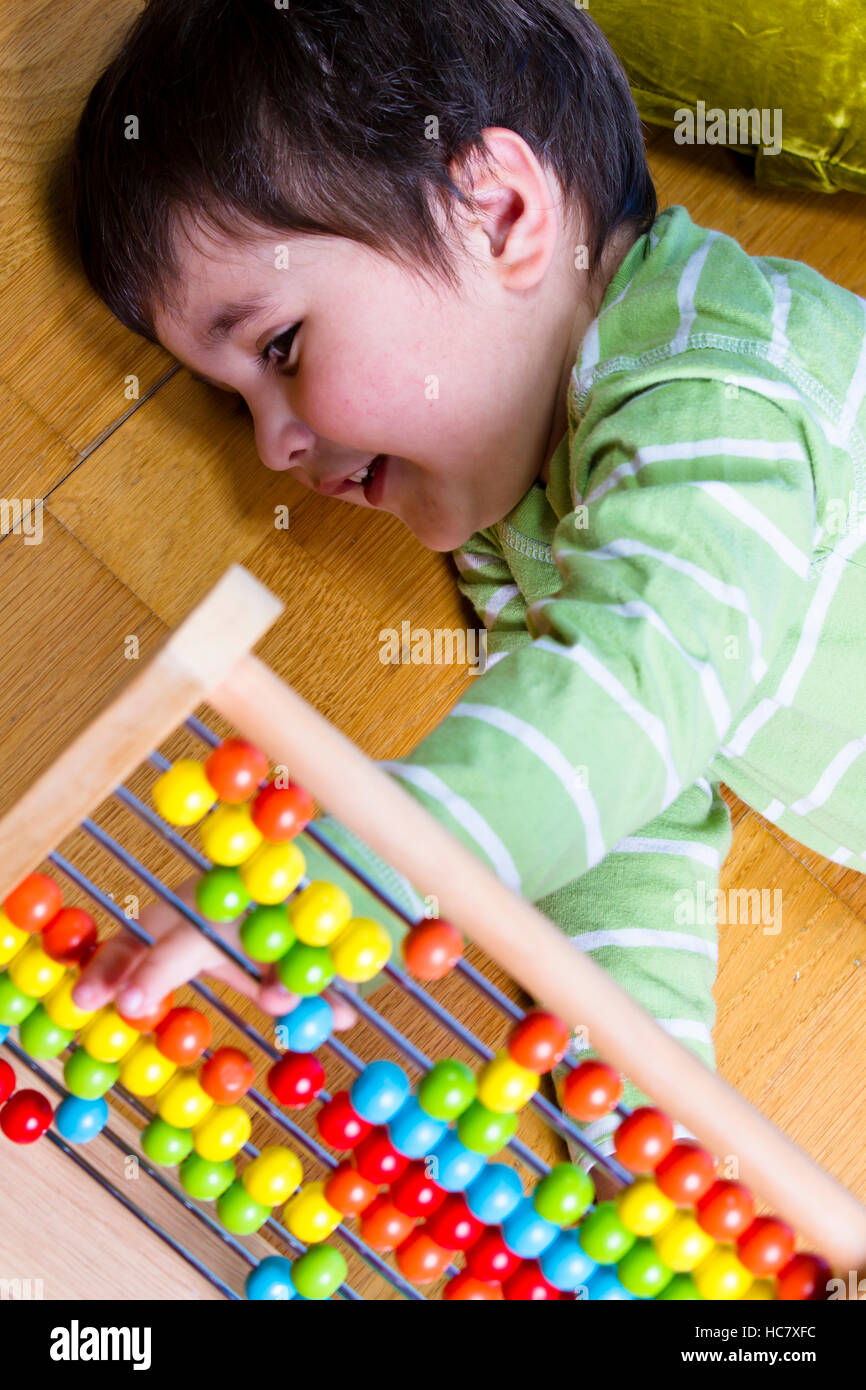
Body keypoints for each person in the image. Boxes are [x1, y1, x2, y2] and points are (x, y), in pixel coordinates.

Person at [69, 0, 866, 1181]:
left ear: (497, 214)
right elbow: (618, 812)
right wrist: (646, 1139)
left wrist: (332, 885)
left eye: (281, 348)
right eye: (236, 400)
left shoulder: (717, 380)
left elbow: (633, 693)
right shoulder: (518, 529)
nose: (271, 448)